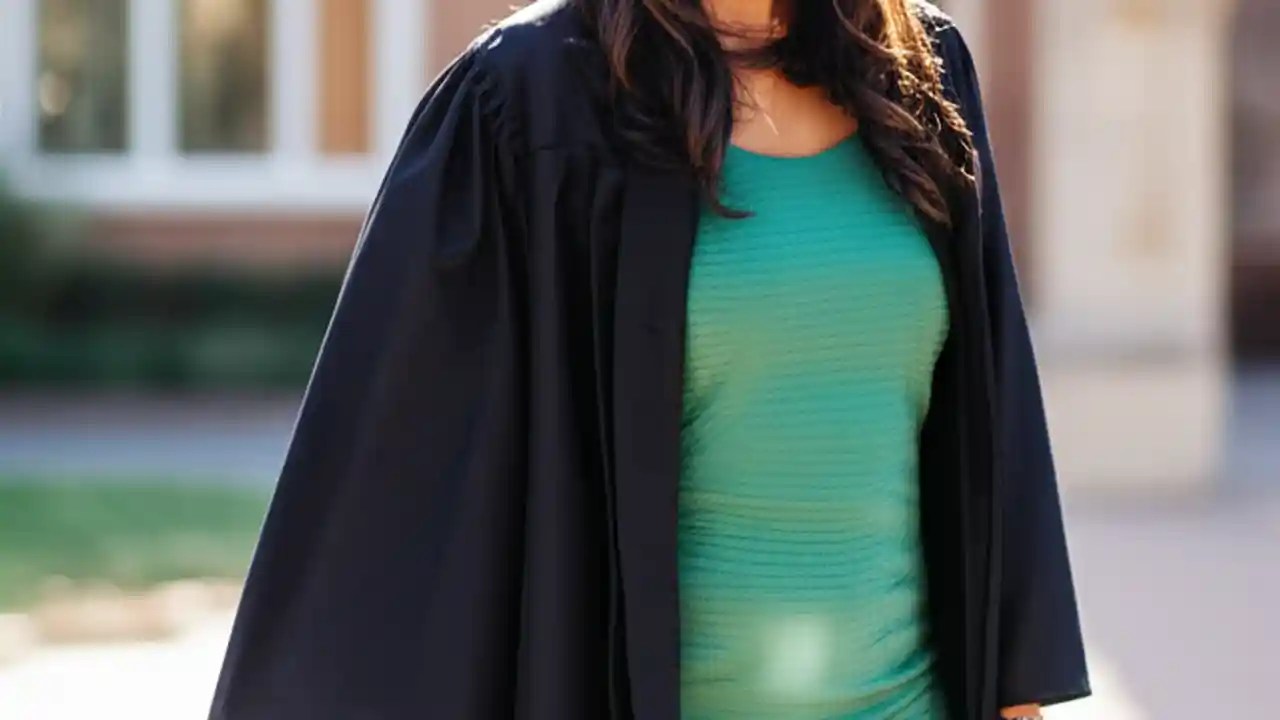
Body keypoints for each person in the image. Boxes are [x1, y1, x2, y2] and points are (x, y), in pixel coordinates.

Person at [209, 1, 1090, 718]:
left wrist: (1020, 695)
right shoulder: (530, 101)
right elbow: (396, 495)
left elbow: (991, 417)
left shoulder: (919, 73)